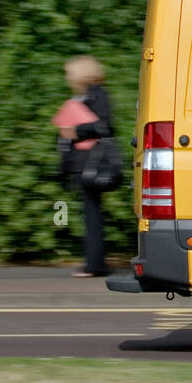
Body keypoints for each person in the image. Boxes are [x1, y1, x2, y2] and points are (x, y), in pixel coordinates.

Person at [59, 55, 115, 278]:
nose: (67, 78)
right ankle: (94, 262)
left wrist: (76, 131)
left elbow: (105, 125)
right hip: (83, 163)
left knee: (92, 215)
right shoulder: (83, 96)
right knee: (91, 214)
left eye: (69, 73)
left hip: (93, 164)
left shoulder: (98, 95)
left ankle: (95, 265)